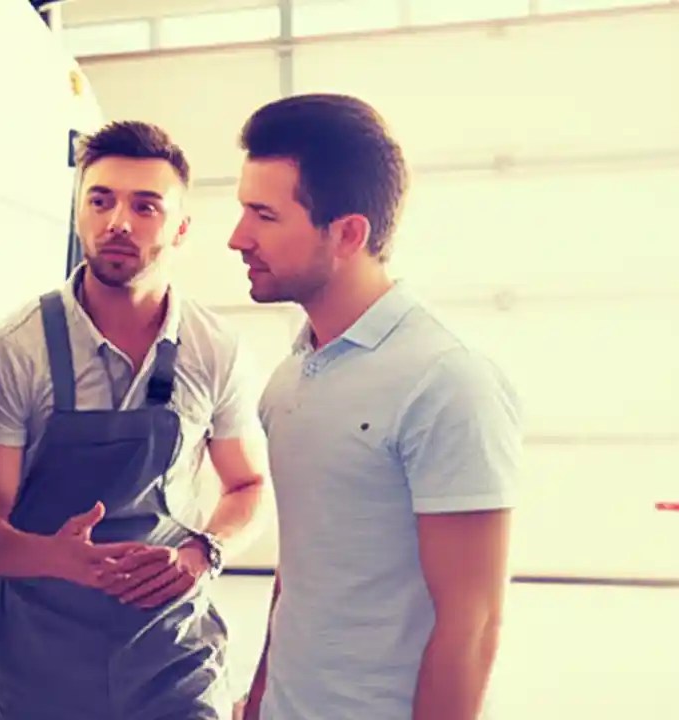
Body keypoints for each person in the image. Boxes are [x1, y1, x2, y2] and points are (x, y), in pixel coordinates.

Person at [0, 120, 271, 720]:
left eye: (145, 206)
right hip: (41, 663)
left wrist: (205, 551)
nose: (118, 221)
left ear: (180, 228)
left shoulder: (216, 348)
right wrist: (58, 558)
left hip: (173, 657)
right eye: (101, 200)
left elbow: (248, 485)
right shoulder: (13, 350)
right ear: (79, 213)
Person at [229, 93, 523, 720]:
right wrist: (257, 702)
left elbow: (472, 625)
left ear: (348, 233)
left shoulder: (445, 380)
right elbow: (302, 569)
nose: (237, 238)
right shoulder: (290, 378)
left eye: (264, 215)